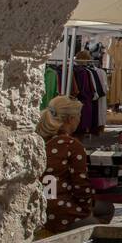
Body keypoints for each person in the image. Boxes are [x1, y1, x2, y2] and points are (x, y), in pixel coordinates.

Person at [37, 95, 114, 235]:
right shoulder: (71, 145)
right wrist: (86, 211)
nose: (80, 120)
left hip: (41, 207)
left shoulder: (39, 139)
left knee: (102, 208)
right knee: (106, 209)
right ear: (71, 119)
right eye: (79, 115)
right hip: (61, 212)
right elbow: (81, 186)